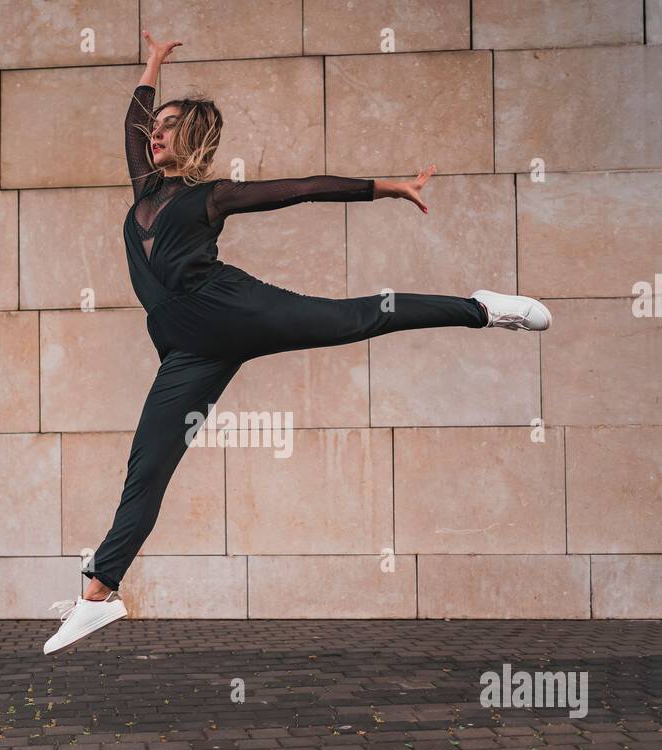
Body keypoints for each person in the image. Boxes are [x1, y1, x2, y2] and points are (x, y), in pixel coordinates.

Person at [44, 31, 551, 654]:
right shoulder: (142, 188)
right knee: (146, 466)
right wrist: (152, 65)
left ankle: (482, 309)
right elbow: (132, 120)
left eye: (171, 126)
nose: (156, 132)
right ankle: (100, 591)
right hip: (187, 353)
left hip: (235, 311)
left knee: (353, 319)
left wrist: (385, 188)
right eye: (158, 124)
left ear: (194, 140)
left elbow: (301, 187)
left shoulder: (211, 198)